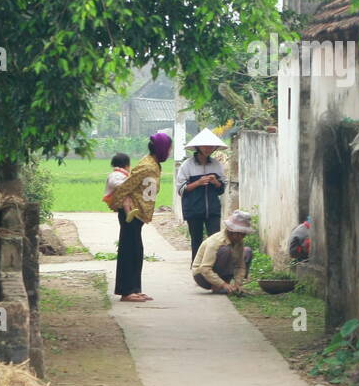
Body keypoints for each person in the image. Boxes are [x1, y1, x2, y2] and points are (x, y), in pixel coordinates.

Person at [106, 132, 171, 302]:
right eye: (169, 148)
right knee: (129, 251)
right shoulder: (147, 166)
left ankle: (135, 289)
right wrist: (118, 203)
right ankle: (126, 291)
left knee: (136, 251)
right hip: (131, 214)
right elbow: (126, 186)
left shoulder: (154, 164)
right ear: (162, 149)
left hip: (139, 215)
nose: (170, 152)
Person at [176, 128, 227, 263]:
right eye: (205, 146)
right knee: (196, 241)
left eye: (211, 146)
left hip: (213, 209)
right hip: (193, 209)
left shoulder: (217, 165)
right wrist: (198, 182)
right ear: (198, 147)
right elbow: (181, 189)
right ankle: (197, 269)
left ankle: (214, 268)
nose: (208, 148)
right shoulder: (187, 166)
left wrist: (215, 182)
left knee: (215, 240)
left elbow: (222, 188)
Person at [191, 209, 255, 295]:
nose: (242, 237)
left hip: (219, 273)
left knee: (247, 251)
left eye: (244, 234)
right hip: (202, 276)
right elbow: (205, 269)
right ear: (232, 231)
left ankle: (230, 286)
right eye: (240, 233)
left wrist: (238, 283)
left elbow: (240, 265)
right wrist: (223, 284)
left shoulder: (239, 242)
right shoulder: (216, 241)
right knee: (226, 250)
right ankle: (218, 286)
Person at [102, 152, 135, 219]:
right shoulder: (116, 174)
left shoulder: (117, 173)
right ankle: (128, 213)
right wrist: (125, 186)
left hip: (115, 195)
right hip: (112, 196)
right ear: (127, 165)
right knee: (126, 198)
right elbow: (114, 183)